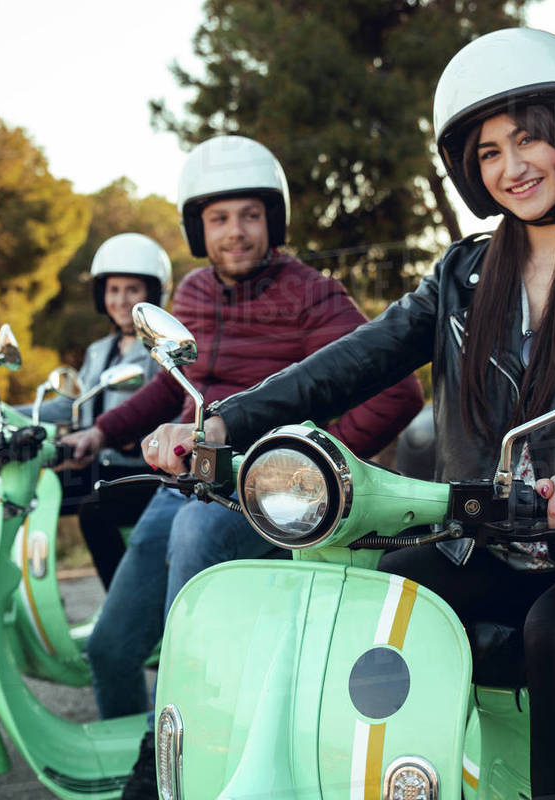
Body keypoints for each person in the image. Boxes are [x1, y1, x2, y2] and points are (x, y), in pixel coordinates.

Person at [151, 29, 555, 800]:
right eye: (489, 152)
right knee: (355, 611)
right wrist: (221, 424)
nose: (512, 167)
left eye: (528, 139)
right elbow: (351, 363)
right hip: (491, 537)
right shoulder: (464, 275)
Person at [62, 135, 424, 798]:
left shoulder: (312, 294)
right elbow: (170, 387)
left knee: (194, 546)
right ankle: (143, 748)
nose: (235, 232)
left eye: (250, 215)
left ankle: (162, 761)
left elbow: (397, 392)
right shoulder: (195, 290)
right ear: (197, 229)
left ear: (273, 221)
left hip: (257, 493)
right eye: (220, 218)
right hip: (184, 485)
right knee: (110, 647)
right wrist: (100, 432)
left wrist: (307, 470)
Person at [32, 232, 171, 589]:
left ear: (153, 293)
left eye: (132, 290)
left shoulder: (165, 350)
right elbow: (71, 405)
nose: (121, 300)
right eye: (113, 290)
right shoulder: (99, 350)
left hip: (144, 470)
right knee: (29, 493)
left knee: (94, 510)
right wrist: (5, 411)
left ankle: (126, 599)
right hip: (97, 465)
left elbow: (168, 407)